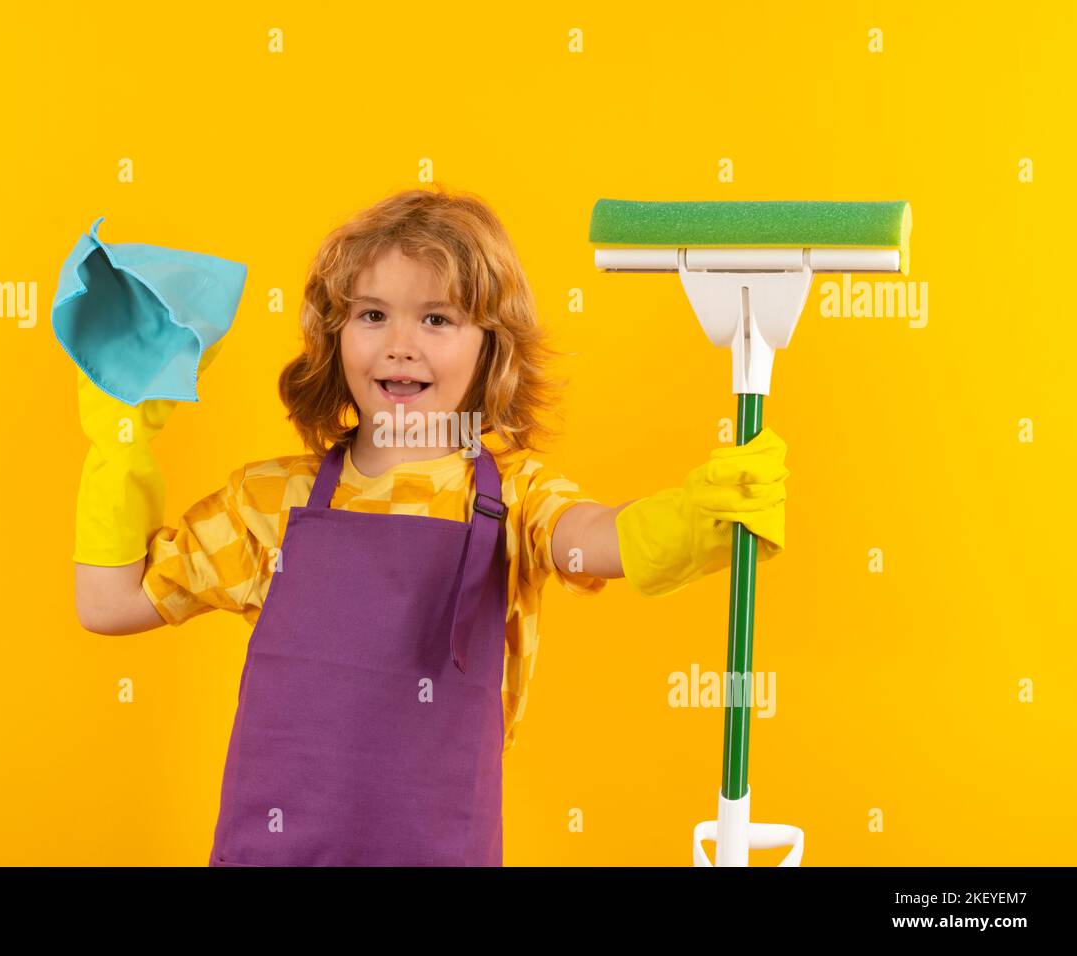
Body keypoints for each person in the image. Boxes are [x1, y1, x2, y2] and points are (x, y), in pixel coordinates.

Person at [72, 185, 789, 866]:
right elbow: (110, 603)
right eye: (372, 314)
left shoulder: (515, 498)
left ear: (490, 348)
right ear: (336, 337)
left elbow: (590, 539)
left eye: (437, 318)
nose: (400, 343)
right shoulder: (270, 502)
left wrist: (692, 520)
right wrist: (123, 425)